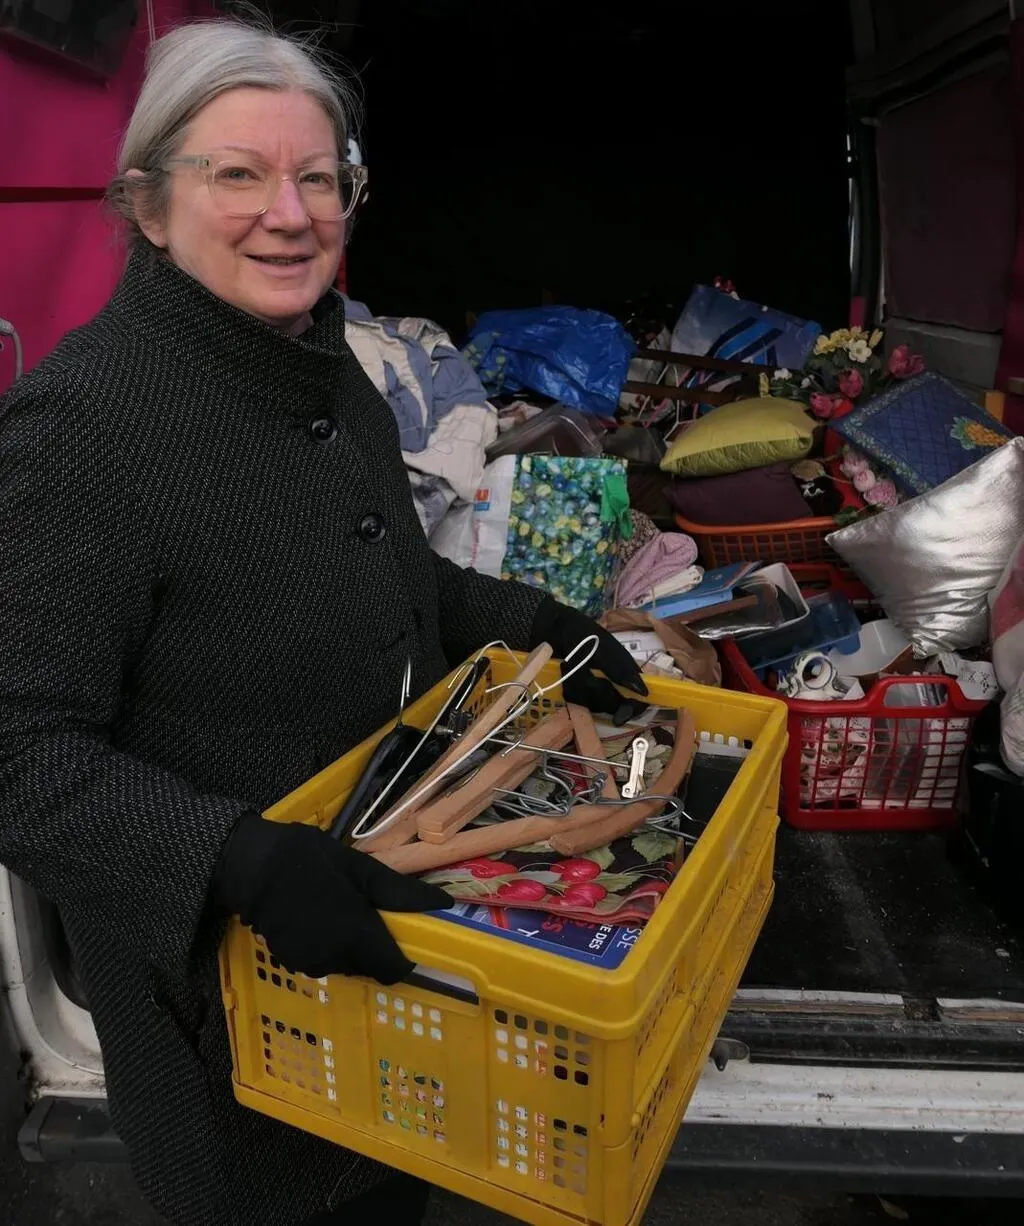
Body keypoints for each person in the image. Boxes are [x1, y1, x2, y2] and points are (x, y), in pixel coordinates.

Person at [0, 18, 644, 1226]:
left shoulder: (324, 361)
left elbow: (389, 577)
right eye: (237, 173)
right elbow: (17, 754)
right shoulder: (80, 426)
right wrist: (233, 857)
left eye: (318, 176)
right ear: (147, 202)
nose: (288, 213)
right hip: (224, 1009)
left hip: (374, 937)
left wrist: (546, 622)